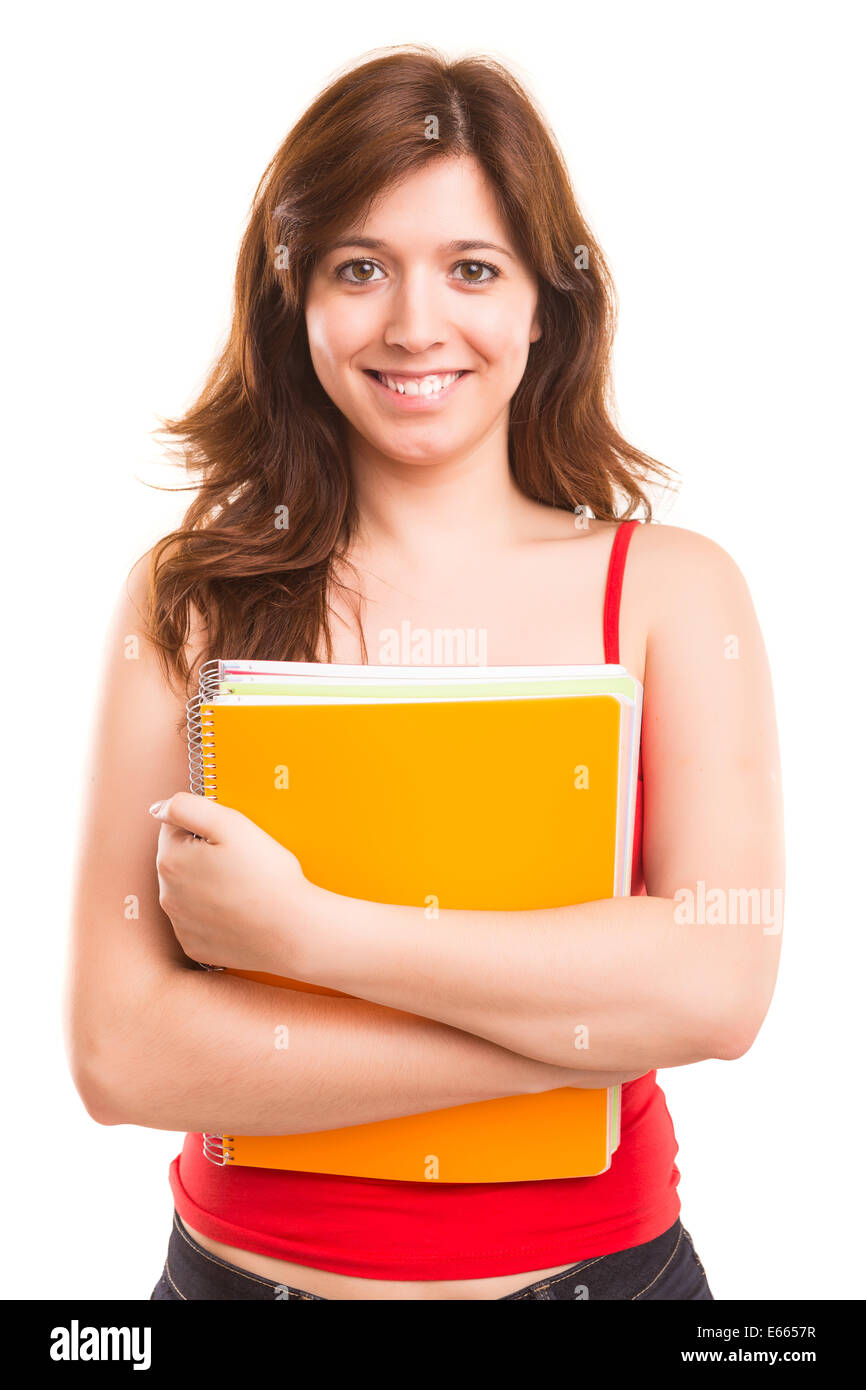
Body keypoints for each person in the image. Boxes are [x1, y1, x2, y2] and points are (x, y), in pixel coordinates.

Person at [64, 45, 784, 1301]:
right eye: (359, 268)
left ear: (542, 303)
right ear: (293, 299)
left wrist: (309, 937)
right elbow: (122, 1055)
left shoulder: (671, 589)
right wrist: (576, 1037)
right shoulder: (189, 597)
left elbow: (714, 986)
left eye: (470, 268)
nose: (413, 325)